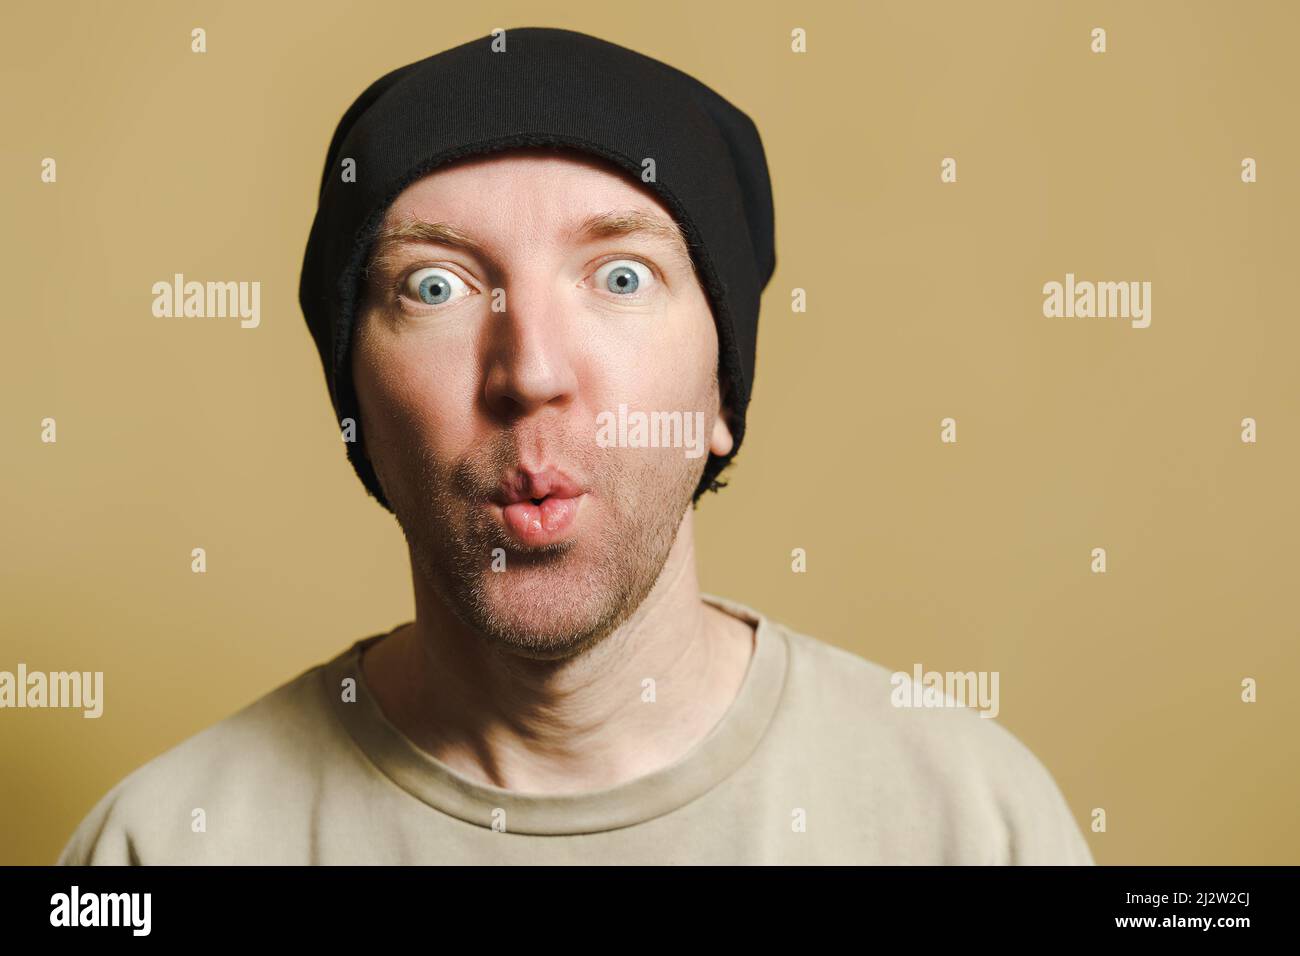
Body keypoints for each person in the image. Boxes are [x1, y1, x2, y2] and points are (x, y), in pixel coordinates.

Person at [57, 27, 1093, 865]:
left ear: (720, 393)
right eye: (434, 286)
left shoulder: (972, 824)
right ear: (358, 405)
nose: (530, 368)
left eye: (622, 276)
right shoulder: (158, 852)